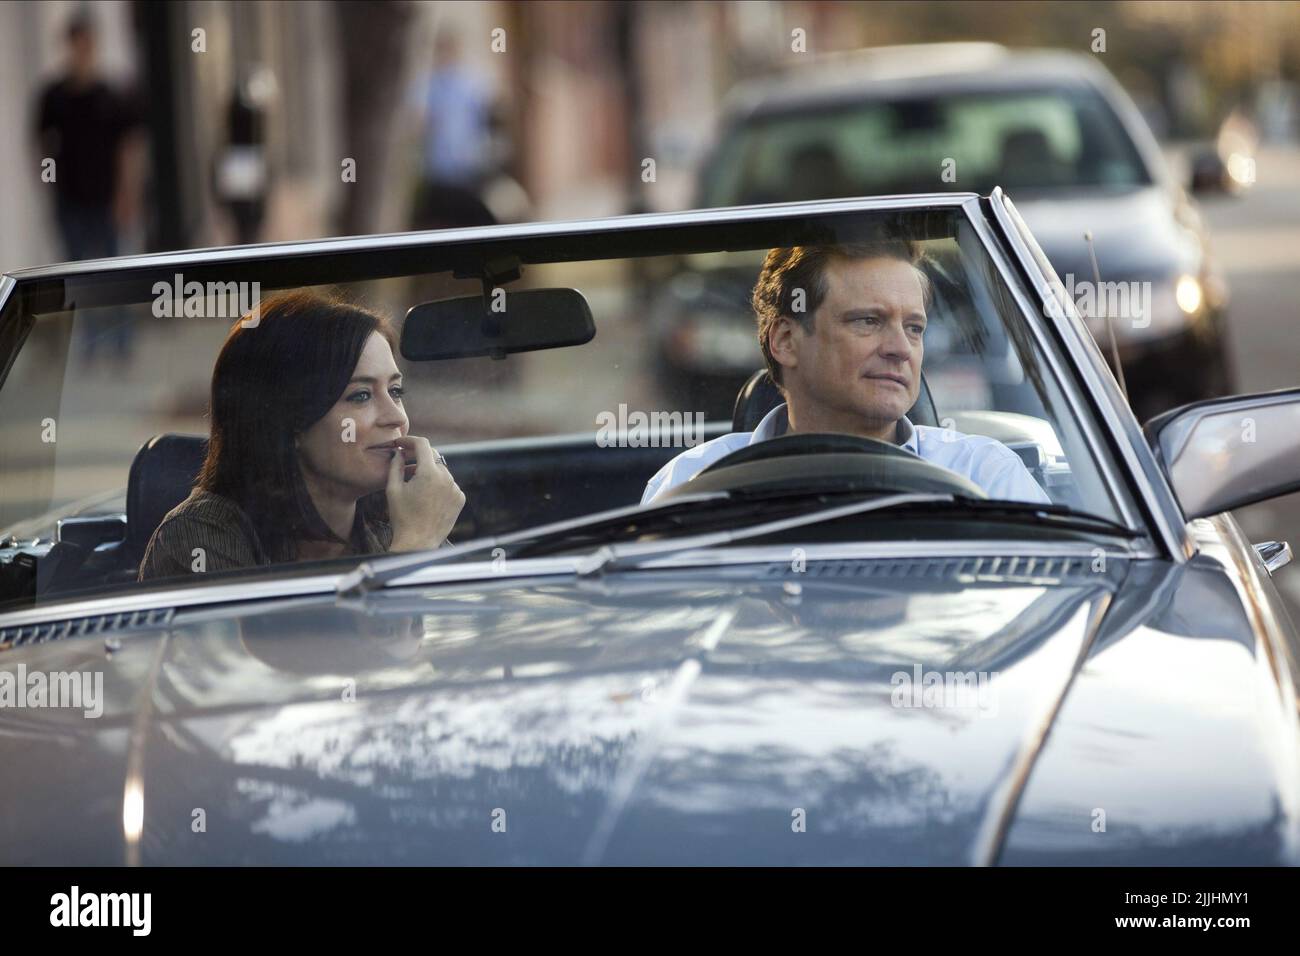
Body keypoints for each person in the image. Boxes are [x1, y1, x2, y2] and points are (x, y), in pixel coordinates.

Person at [642, 240, 1051, 505]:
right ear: (785, 340)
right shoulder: (690, 483)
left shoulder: (986, 476)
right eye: (868, 321)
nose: (899, 349)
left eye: (914, 328)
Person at [138, 291, 465, 581]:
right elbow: (309, 650)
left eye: (395, 390)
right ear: (288, 420)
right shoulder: (199, 538)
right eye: (360, 396)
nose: (397, 417)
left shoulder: (394, 521)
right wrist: (413, 548)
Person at [34, 11, 144, 363]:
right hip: (71, 200)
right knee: (76, 275)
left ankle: (122, 341)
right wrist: (49, 184)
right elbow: (41, 144)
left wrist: (127, 194)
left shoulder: (108, 95)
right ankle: (91, 342)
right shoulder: (55, 97)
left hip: (106, 198)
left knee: (113, 272)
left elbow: (128, 149)